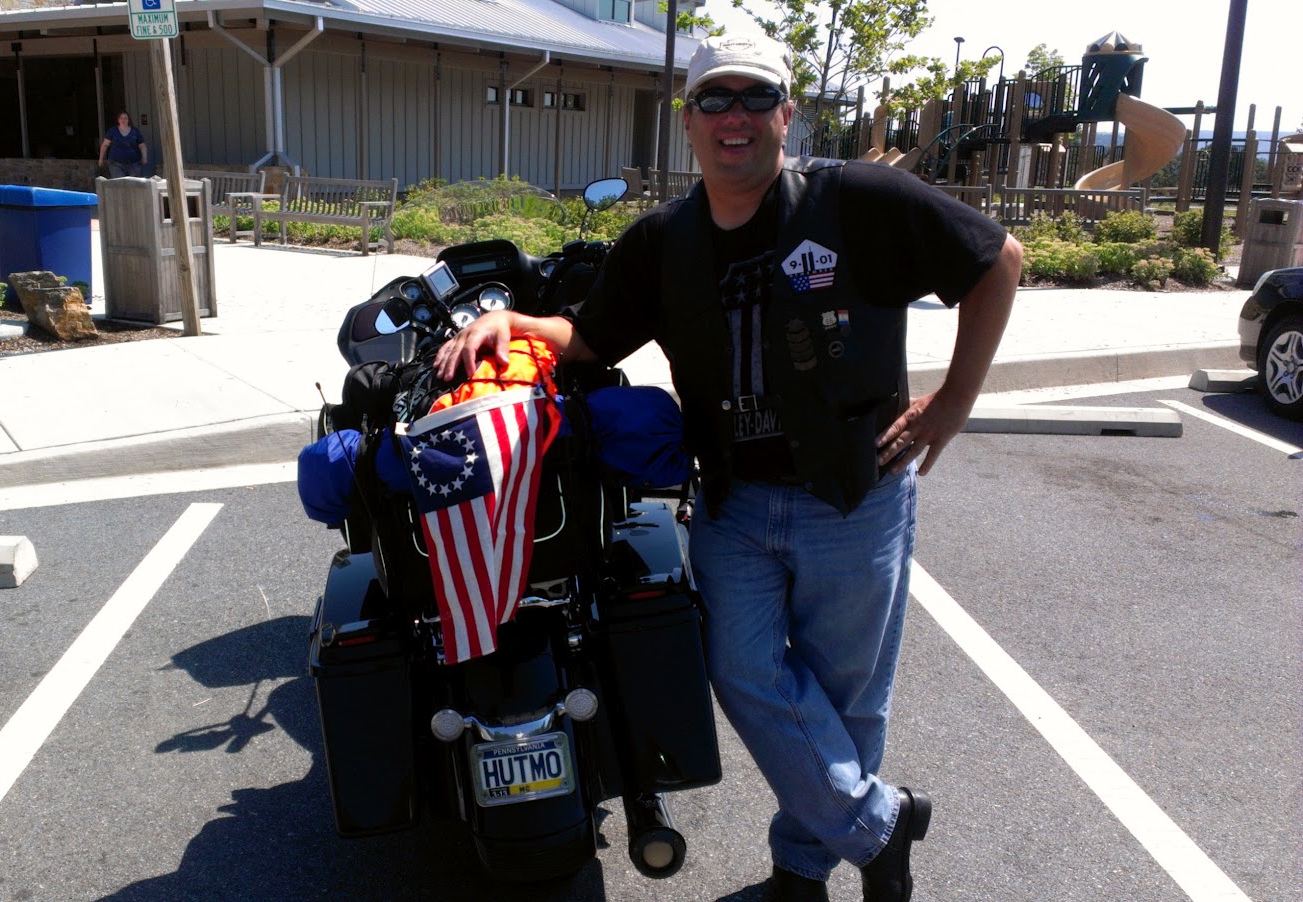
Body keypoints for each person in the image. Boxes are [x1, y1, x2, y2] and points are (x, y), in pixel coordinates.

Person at [435, 32, 1021, 902]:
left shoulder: (858, 200)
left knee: (846, 697)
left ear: (788, 114)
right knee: (745, 673)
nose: (733, 116)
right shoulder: (661, 240)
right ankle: (881, 826)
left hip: (853, 497)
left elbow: (997, 260)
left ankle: (804, 869)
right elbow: (589, 337)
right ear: (689, 121)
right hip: (735, 505)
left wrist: (954, 402)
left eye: (754, 97)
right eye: (715, 99)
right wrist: (512, 323)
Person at [98, 111, 148, 178]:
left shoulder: (135, 131)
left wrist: (144, 157)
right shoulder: (112, 131)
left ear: (128, 120)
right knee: (120, 182)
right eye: (121, 118)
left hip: (133, 164)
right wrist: (101, 158)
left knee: (133, 183)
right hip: (116, 164)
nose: (123, 120)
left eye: (125, 118)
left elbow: (142, 146)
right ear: (118, 120)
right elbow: (105, 145)